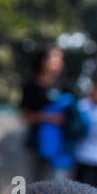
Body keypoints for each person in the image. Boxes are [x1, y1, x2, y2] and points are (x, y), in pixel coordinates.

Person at [17, 46, 74, 182]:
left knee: (59, 184)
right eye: (54, 57)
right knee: (36, 182)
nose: (58, 61)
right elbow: (24, 115)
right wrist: (46, 117)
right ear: (43, 60)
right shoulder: (31, 86)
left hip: (61, 143)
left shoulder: (64, 84)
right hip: (37, 142)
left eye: (60, 58)